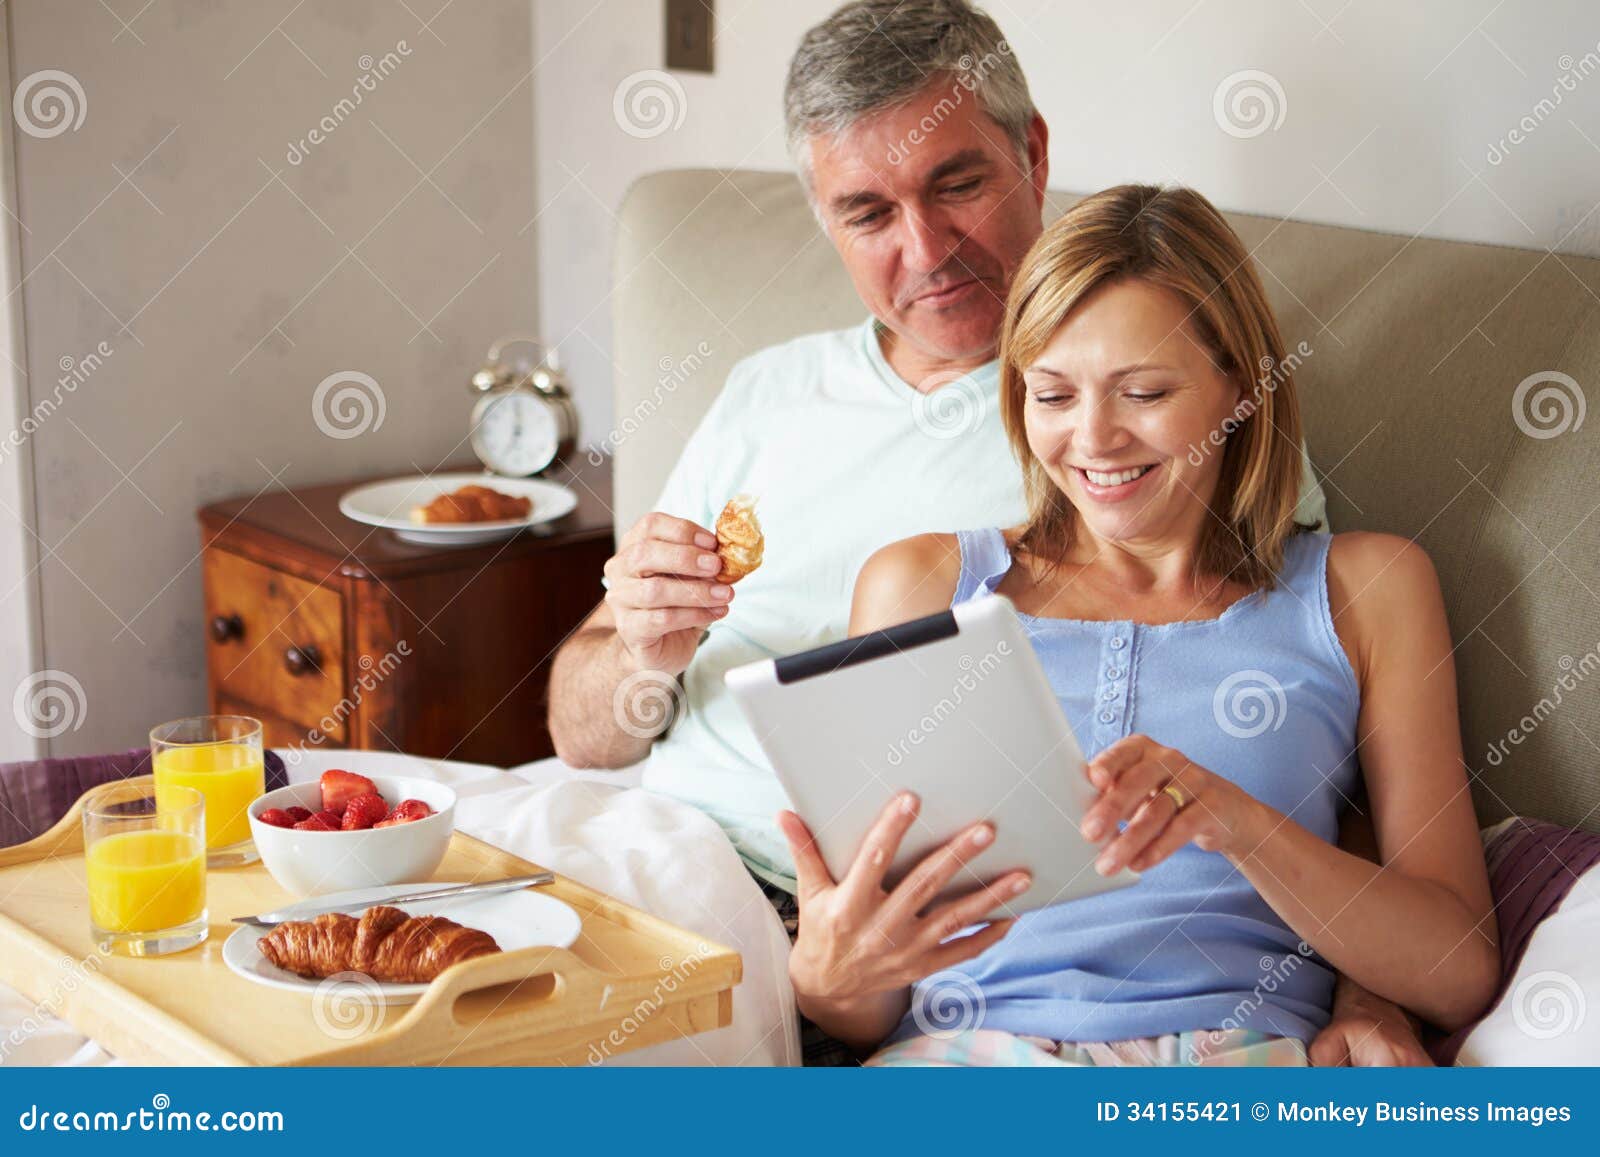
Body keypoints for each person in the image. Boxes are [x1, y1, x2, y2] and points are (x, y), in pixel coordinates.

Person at [548, 0, 1428, 1064]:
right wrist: (643, 652)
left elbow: (1311, 730)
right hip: (646, 838)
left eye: (956, 184)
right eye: (867, 212)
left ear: (1033, 152)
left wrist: (1367, 993)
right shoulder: (763, 392)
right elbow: (582, 731)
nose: (925, 249)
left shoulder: (1134, 440)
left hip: (833, 913)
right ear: (822, 218)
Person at [776, 184, 1498, 1066]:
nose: (1094, 439)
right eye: (1052, 396)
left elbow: (1456, 970)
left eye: (1144, 391)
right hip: (965, 1058)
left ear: (1240, 386)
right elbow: (862, 1005)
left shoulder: (1368, 587)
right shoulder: (922, 586)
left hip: (1231, 1058)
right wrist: (824, 972)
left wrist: (1229, 817)